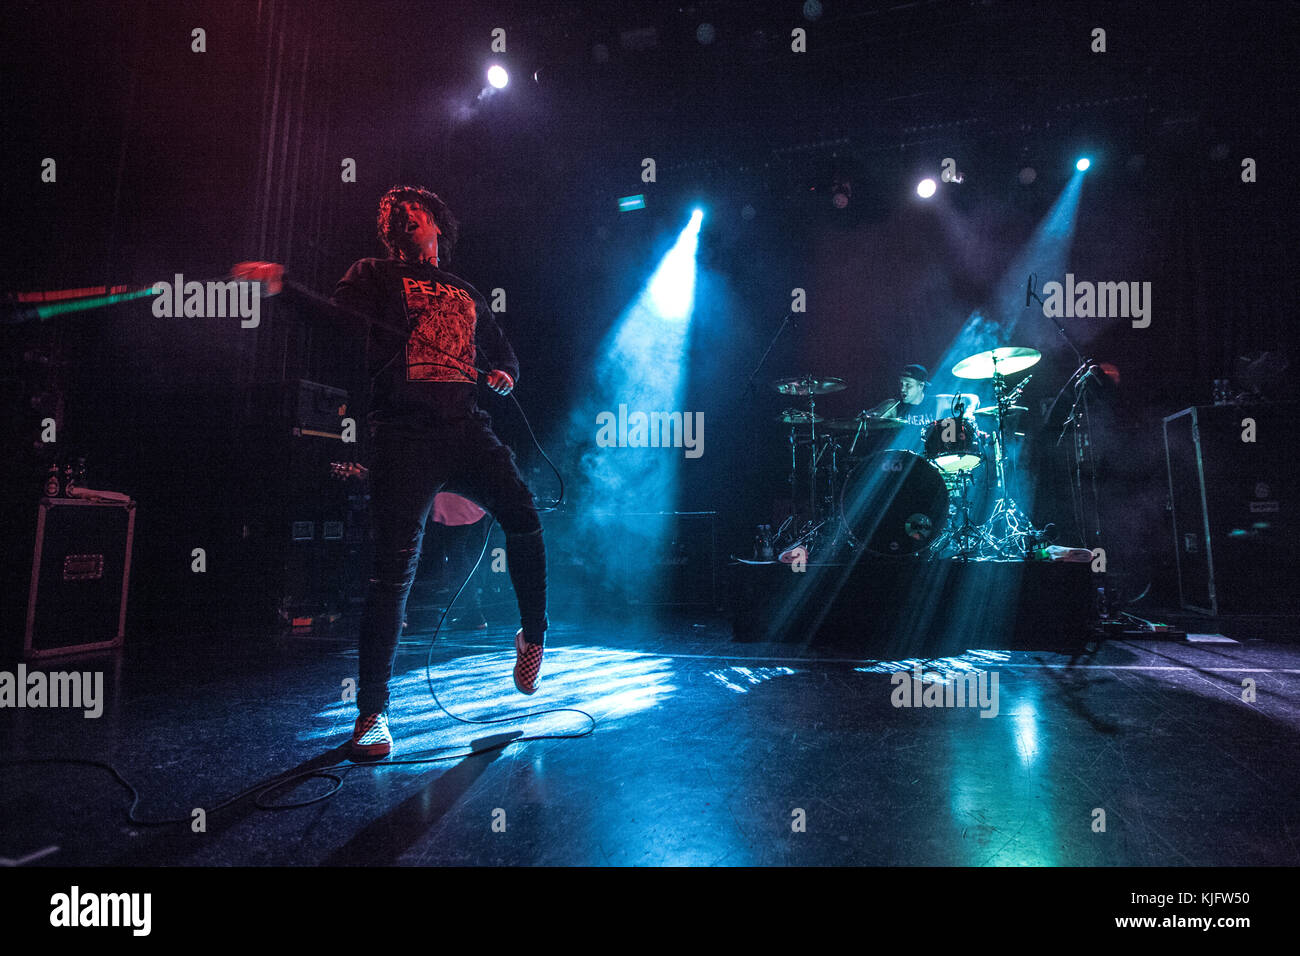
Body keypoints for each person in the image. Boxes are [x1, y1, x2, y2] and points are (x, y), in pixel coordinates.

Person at [332, 185, 548, 759]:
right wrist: (281, 291)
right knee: (392, 570)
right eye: (394, 213)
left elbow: (504, 354)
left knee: (524, 515)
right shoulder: (373, 273)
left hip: (465, 428)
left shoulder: (466, 290)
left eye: (417, 210)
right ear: (390, 231)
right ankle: (373, 714)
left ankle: (532, 637)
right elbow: (336, 319)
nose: (406, 215)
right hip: (403, 434)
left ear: (436, 227)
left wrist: (504, 373)